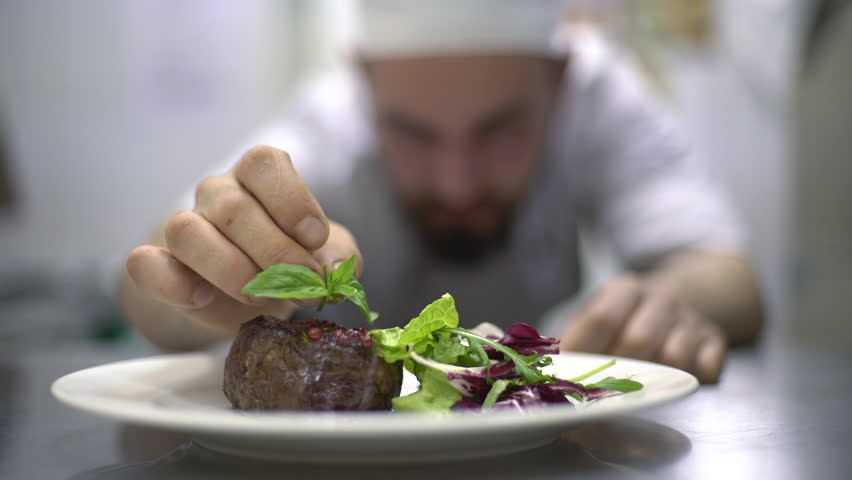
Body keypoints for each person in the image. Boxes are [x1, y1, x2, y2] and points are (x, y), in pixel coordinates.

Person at [118, 0, 763, 383]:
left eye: (500, 129)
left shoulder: (598, 95)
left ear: (559, 82)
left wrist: (667, 303)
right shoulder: (330, 125)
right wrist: (206, 285)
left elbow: (729, 277)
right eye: (414, 133)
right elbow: (143, 290)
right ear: (367, 86)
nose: (457, 182)